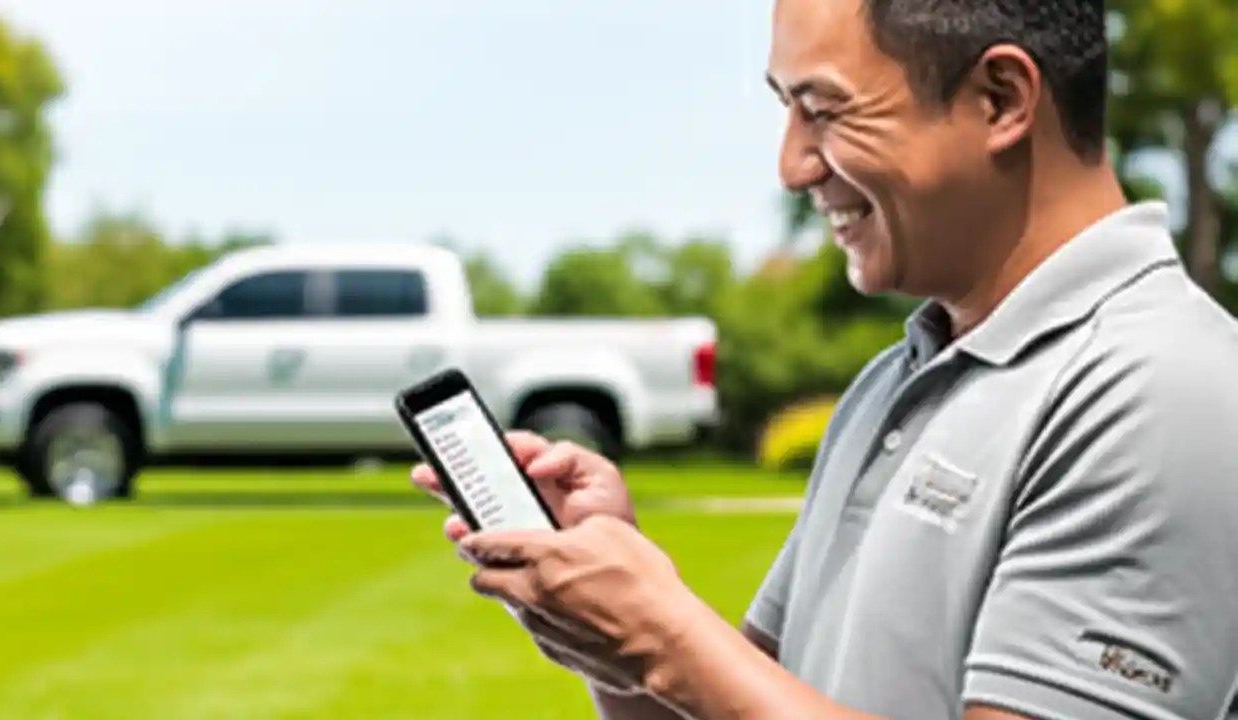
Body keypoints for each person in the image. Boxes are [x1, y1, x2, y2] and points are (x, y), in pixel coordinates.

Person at [412, 0, 1238, 717]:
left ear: (1000, 99)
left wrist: (667, 632)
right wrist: (612, 631)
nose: (792, 165)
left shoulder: (1166, 391)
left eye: (826, 111)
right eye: (786, 108)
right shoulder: (894, 383)